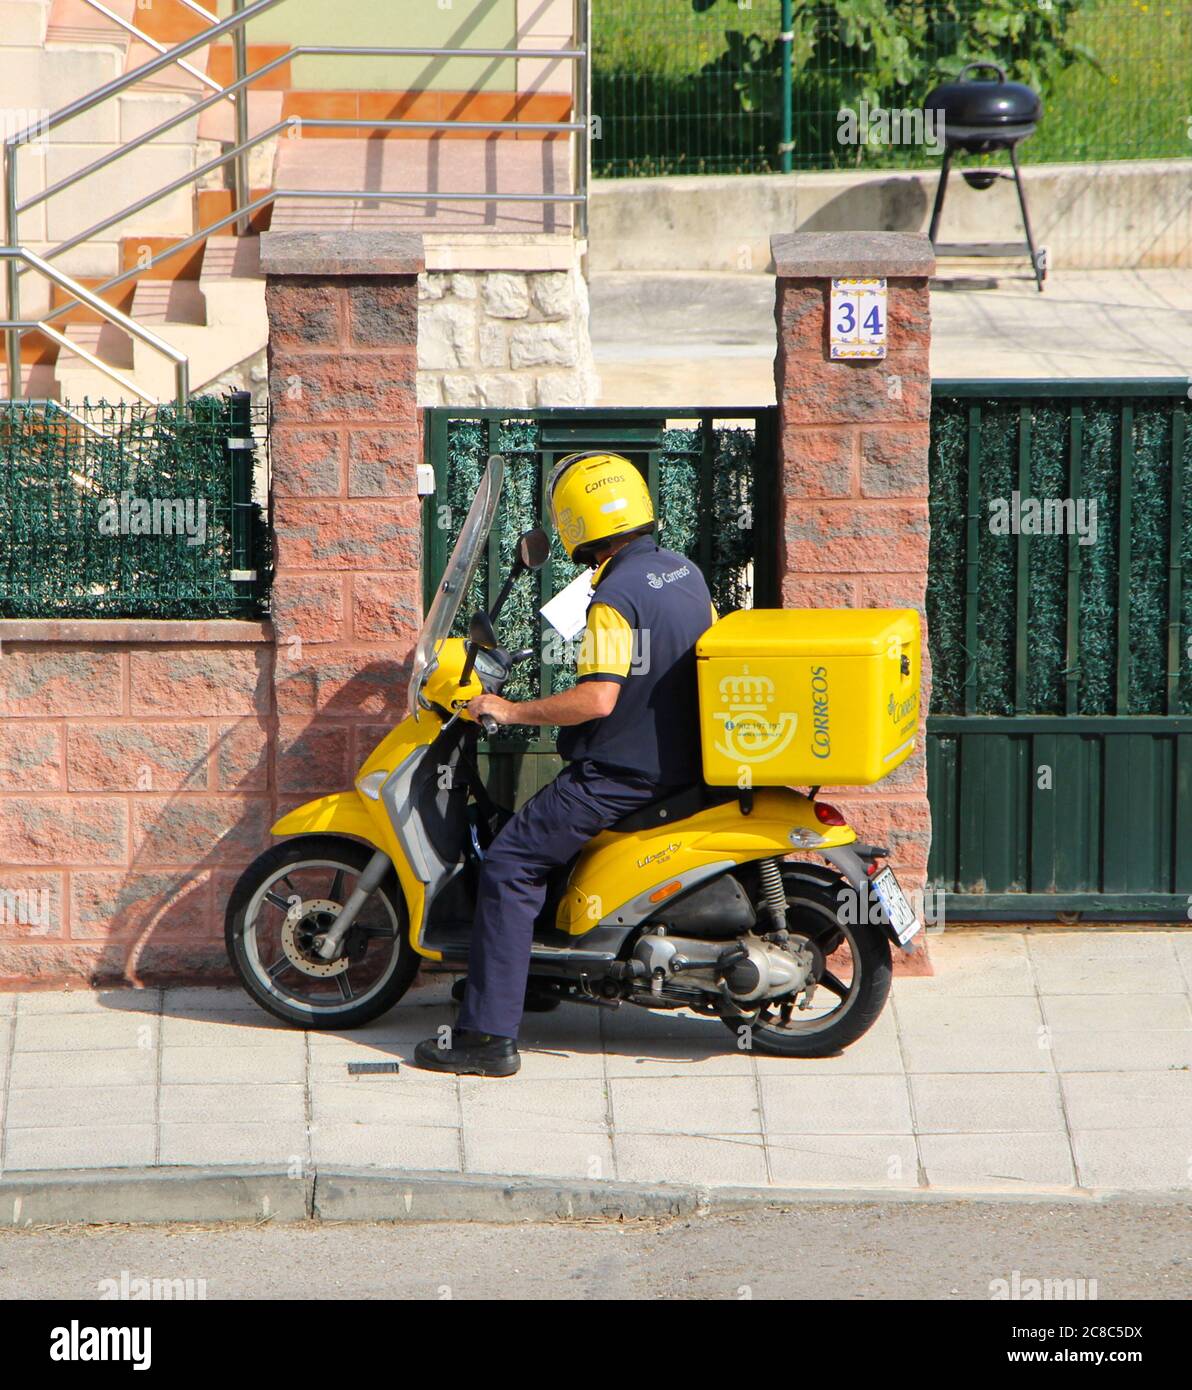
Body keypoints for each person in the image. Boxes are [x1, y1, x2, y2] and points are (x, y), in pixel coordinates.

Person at [413, 452, 715, 1077]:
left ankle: (486, 1037)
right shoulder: (683, 572)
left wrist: (511, 710)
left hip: (622, 774)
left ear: (576, 521)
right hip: (686, 762)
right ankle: (532, 978)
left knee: (513, 860)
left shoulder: (613, 596)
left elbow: (598, 698)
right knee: (535, 833)